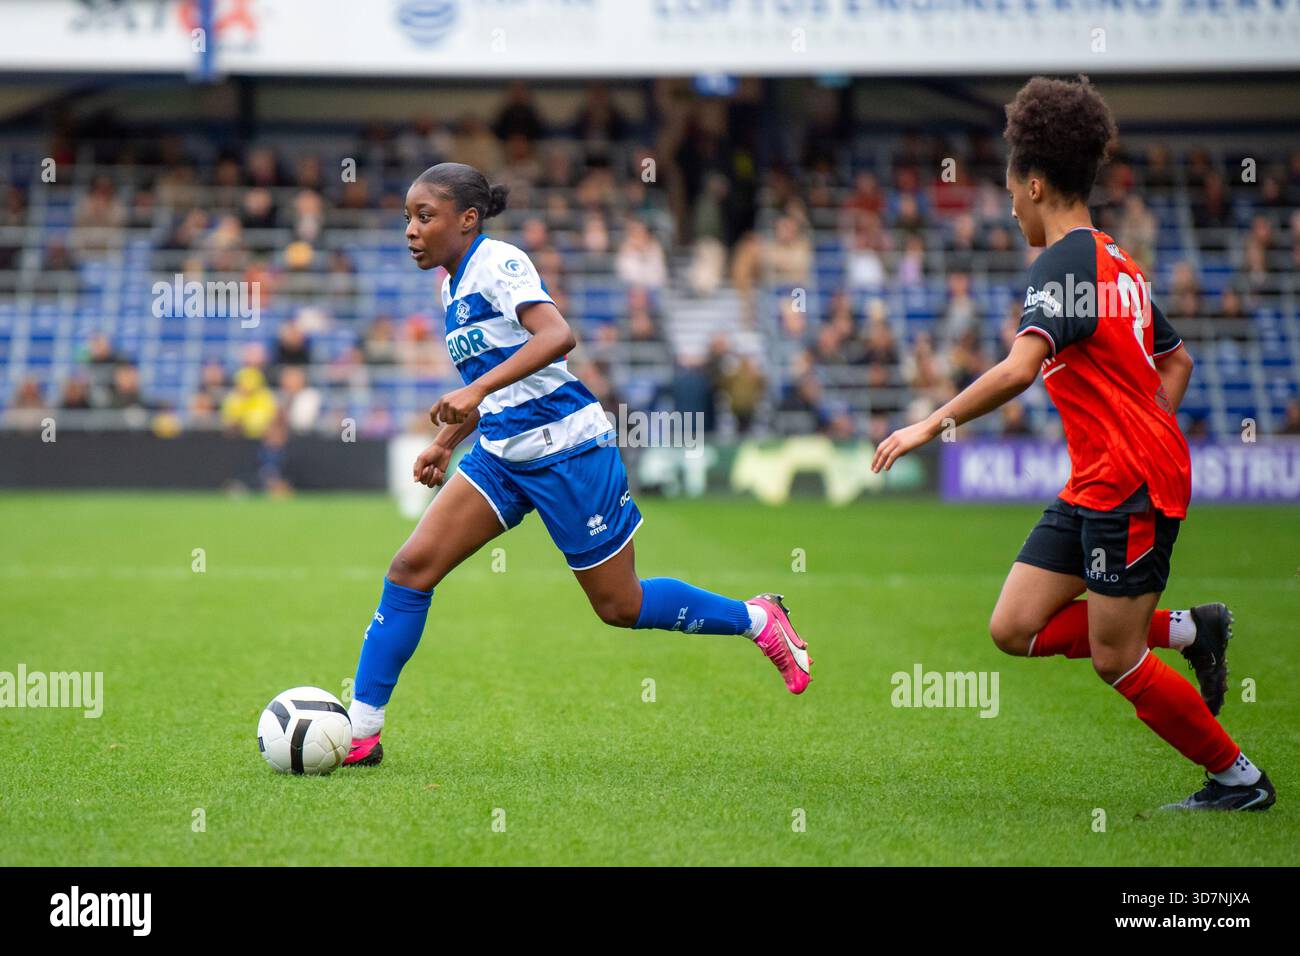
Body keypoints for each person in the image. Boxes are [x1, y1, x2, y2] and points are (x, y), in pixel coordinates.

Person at [871, 76, 1273, 812]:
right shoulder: (1116, 261)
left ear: (1034, 183)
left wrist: (930, 422)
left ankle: (1238, 778)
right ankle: (1193, 628)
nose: (1010, 205)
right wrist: (1147, 425)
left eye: (1011, 190)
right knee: (1013, 627)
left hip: (1129, 483)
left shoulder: (1062, 265)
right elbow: (1176, 360)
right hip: (1103, 478)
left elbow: (1022, 368)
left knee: (1116, 658)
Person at [342, 163, 812, 768]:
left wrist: (474, 392)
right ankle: (362, 731)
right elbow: (509, 384)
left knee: (621, 606)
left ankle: (757, 619)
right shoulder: (450, 285)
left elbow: (556, 336)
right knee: (410, 569)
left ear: (468, 220)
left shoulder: (497, 263)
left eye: (424, 216)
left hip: (568, 450)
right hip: (504, 455)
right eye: (407, 217)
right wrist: (447, 441)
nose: (411, 229)